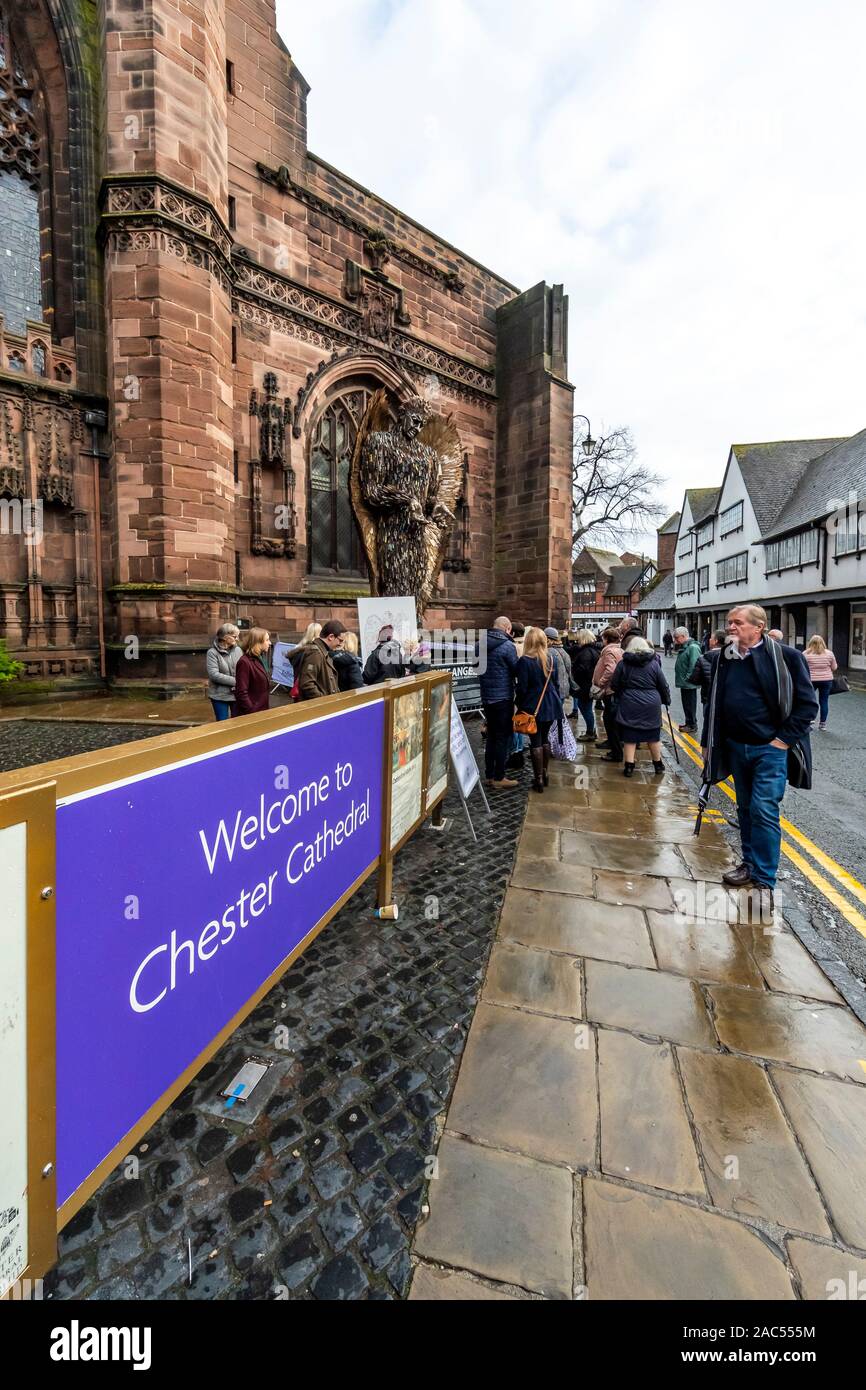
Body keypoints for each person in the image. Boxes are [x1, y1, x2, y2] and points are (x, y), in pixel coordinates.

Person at [701, 604, 817, 910]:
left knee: (764, 809)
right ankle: (749, 865)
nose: (731, 627)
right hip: (736, 746)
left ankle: (765, 881)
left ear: (759, 627)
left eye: (737, 623)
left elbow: (807, 706)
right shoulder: (726, 658)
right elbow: (715, 701)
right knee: (745, 809)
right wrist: (707, 741)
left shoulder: (788, 658)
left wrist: (781, 741)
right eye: (729, 623)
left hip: (770, 749)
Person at [610, 635, 672, 777]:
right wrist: (666, 699)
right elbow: (663, 685)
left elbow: (614, 684)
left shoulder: (623, 664)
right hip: (651, 703)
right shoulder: (654, 664)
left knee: (630, 736)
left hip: (629, 702)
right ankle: (658, 764)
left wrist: (624, 694)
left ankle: (629, 767)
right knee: (653, 736)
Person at [516, 626, 563, 793]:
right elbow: (555, 684)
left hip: (533, 705)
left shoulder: (525, 661)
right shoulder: (552, 658)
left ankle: (539, 780)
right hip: (551, 703)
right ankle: (545, 774)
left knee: (535, 741)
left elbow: (522, 688)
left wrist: (519, 705)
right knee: (545, 738)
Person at [479, 615, 520, 789]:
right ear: (507, 628)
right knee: (502, 737)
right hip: (503, 698)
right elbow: (516, 670)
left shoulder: (479, 645)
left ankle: (489, 775)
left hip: (486, 697)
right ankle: (499, 777)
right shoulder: (508, 646)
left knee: (491, 737)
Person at [592, 626, 625, 762]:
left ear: (606, 639)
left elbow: (610, 670)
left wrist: (601, 682)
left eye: (603, 638)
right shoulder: (619, 650)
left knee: (610, 723)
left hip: (610, 691)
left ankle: (616, 753)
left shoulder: (609, 651)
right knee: (611, 722)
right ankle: (614, 749)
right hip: (615, 691)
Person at [296, 619, 345, 700]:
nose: (340, 644)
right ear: (331, 637)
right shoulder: (315, 653)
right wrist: (324, 701)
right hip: (320, 707)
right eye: (340, 640)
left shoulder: (322, 651)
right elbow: (307, 684)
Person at [570, 627, 603, 742]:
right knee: (586, 707)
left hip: (585, 685)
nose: (577, 640)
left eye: (578, 637)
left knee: (585, 707)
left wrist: (574, 670)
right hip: (588, 684)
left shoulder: (585, 652)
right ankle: (591, 731)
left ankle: (590, 732)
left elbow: (583, 669)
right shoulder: (593, 650)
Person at [206, 622, 242, 720]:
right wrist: (237, 681)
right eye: (235, 636)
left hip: (236, 694)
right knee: (222, 724)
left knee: (238, 722)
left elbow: (243, 669)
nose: (237, 639)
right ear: (226, 637)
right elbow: (214, 675)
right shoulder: (212, 653)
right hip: (219, 695)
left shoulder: (238, 650)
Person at [804, 635, 838, 731]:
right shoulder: (829, 653)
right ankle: (823, 724)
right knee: (824, 701)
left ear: (810, 642)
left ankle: (810, 719)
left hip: (811, 680)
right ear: (823, 642)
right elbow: (834, 667)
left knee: (810, 700)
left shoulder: (806, 653)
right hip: (826, 680)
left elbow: (801, 666)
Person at [234, 627, 272, 715]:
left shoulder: (261, 659)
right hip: (251, 714)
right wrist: (252, 711)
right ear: (257, 643)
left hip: (262, 711)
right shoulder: (244, 662)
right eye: (267, 640)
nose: (269, 643)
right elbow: (241, 692)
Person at [673, 626, 702, 732]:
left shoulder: (692, 648)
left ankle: (692, 725)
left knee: (690, 704)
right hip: (685, 682)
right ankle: (688, 722)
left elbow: (694, 665)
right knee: (687, 704)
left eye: (676, 637)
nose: (675, 640)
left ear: (683, 636)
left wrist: (688, 678)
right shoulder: (686, 647)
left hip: (689, 682)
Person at [696, 629, 726, 705]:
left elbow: (695, 679)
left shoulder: (703, 658)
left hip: (707, 696)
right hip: (726, 697)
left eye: (711, 638)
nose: (709, 640)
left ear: (715, 641)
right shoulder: (733, 657)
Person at [544, 627, 572, 705]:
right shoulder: (564, 652)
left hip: (553, 690)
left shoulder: (548, 653)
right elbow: (569, 670)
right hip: (563, 688)